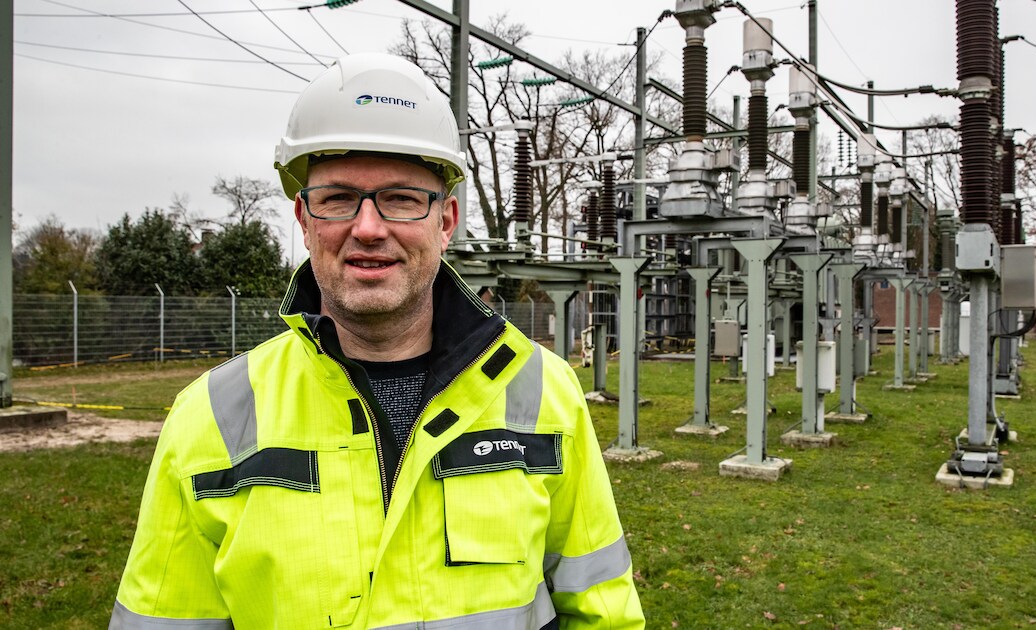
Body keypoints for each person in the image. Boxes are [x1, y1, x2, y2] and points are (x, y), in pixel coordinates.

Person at [110, 52, 644, 629]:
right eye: (338, 197)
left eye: (402, 198)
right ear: (304, 218)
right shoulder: (209, 419)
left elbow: (600, 611)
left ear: (445, 221)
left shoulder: (545, 395)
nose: (368, 227)